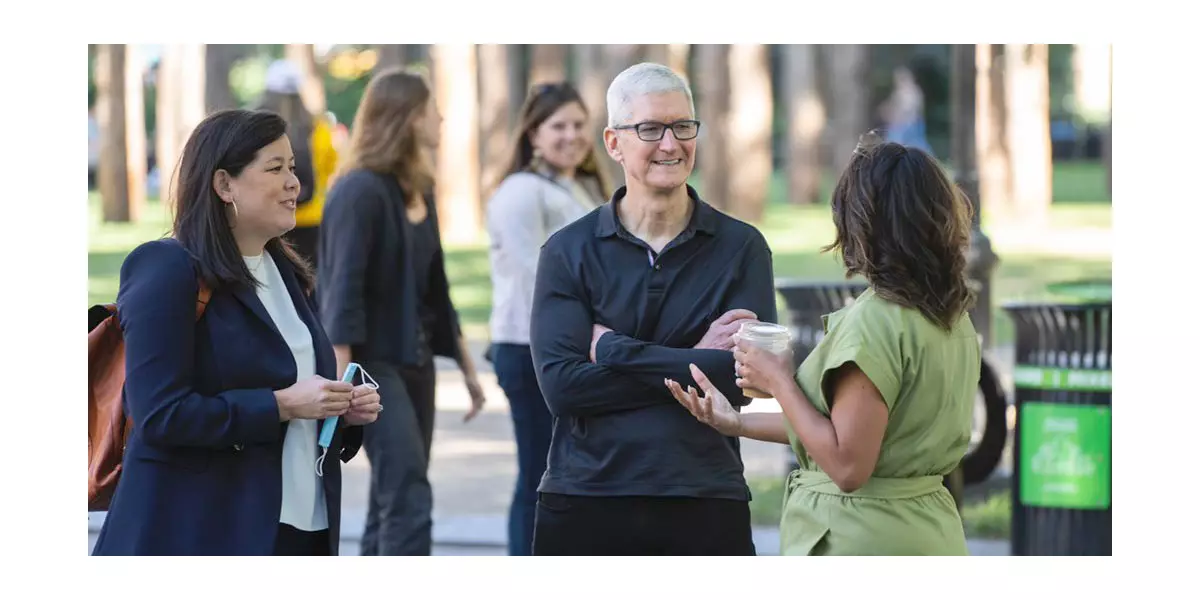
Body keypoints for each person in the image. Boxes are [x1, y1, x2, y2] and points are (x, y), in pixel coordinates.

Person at [668, 134, 979, 556]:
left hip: (860, 540)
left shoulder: (875, 322)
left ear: (863, 223)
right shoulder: (950, 316)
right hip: (928, 530)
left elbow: (848, 465)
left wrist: (779, 380)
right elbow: (857, 434)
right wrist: (737, 424)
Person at [91, 109, 381, 556]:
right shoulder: (167, 268)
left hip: (301, 523)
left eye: (293, 168)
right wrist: (282, 405)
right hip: (202, 531)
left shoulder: (284, 270)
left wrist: (337, 409)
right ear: (224, 184)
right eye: (275, 168)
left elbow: (290, 391)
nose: (293, 184)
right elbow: (160, 415)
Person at [528, 63, 777, 556]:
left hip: (704, 495)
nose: (671, 144)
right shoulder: (566, 251)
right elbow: (562, 389)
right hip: (586, 495)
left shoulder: (742, 247)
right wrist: (693, 358)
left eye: (683, 126)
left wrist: (613, 349)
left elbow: (742, 381)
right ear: (614, 143)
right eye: (650, 129)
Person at [318, 67, 487, 556]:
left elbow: (437, 290)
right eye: (431, 109)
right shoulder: (359, 190)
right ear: (409, 118)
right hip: (373, 368)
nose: (440, 117)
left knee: (392, 496)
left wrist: (469, 371)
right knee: (409, 495)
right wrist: (340, 387)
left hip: (415, 362)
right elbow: (340, 293)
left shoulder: (416, 188)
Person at [484, 81, 610, 556]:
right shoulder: (520, 191)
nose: (572, 135)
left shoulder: (580, 186)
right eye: (559, 126)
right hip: (529, 347)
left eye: (579, 124)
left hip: (574, 348)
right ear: (533, 134)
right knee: (540, 473)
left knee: (566, 473)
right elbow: (540, 276)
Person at [257, 59, 339, 269]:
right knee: (310, 284)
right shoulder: (319, 126)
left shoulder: (255, 128)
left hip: (268, 219)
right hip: (312, 218)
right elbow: (330, 165)